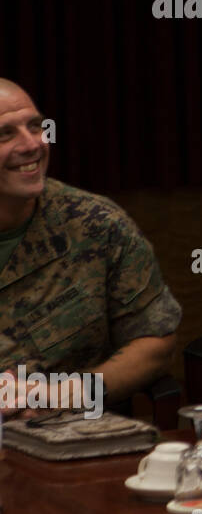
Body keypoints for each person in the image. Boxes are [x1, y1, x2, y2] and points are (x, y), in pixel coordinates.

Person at [0, 79, 181, 418]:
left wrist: (70, 392)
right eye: (5, 134)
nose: (33, 145)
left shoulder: (96, 224)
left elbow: (155, 343)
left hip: (68, 438)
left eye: (36, 127)